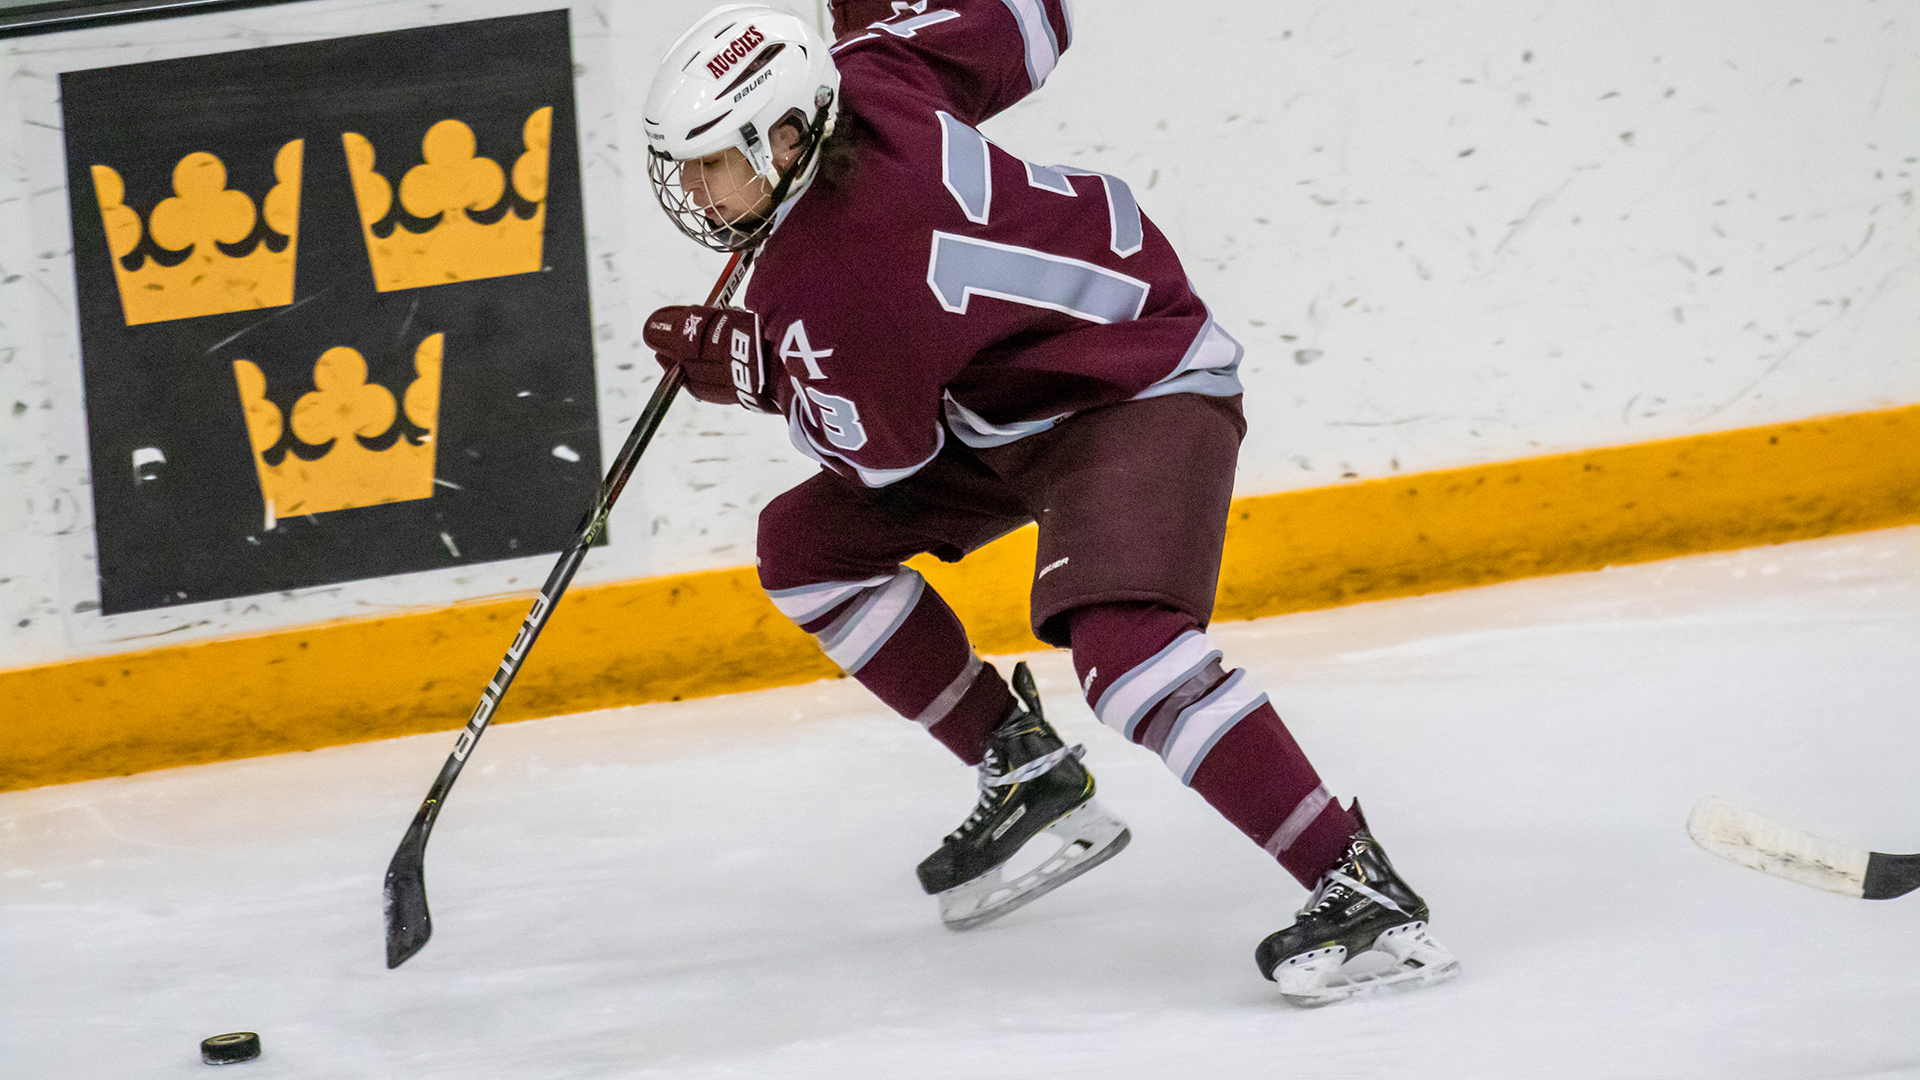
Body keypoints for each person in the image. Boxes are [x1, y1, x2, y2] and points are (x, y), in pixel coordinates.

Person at [637, 0, 1459, 1005]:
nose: (694, 189)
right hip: (1006, 397)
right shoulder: (867, 70)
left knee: (1127, 653)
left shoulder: (829, 284)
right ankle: (1019, 764)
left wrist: (763, 373)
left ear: (790, 136)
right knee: (804, 548)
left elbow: (888, 464)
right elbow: (1033, 23)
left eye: (713, 161)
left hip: (1134, 385)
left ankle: (1354, 880)